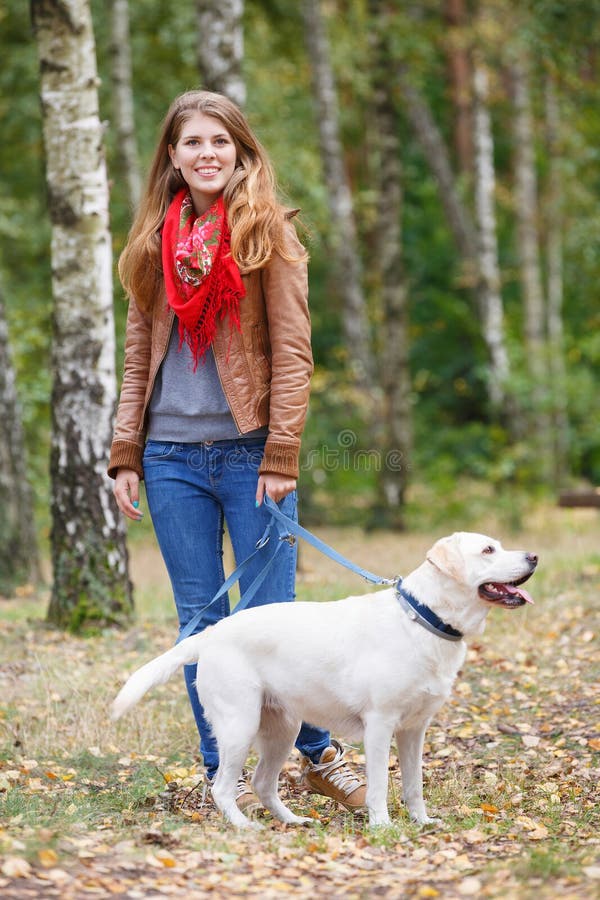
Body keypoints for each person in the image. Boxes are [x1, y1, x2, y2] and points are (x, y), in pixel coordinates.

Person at [109, 90, 366, 814]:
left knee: (274, 620)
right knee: (199, 624)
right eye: (192, 142)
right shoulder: (151, 244)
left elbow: (291, 352)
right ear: (172, 155)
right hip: (169, 459)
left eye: (220, 141)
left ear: (242, 150)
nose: (207, 154)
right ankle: (222, 774)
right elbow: (137, 358)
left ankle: (317, 756)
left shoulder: (268, 234)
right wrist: (126, 448)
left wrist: (282, 453)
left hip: (253, 456)